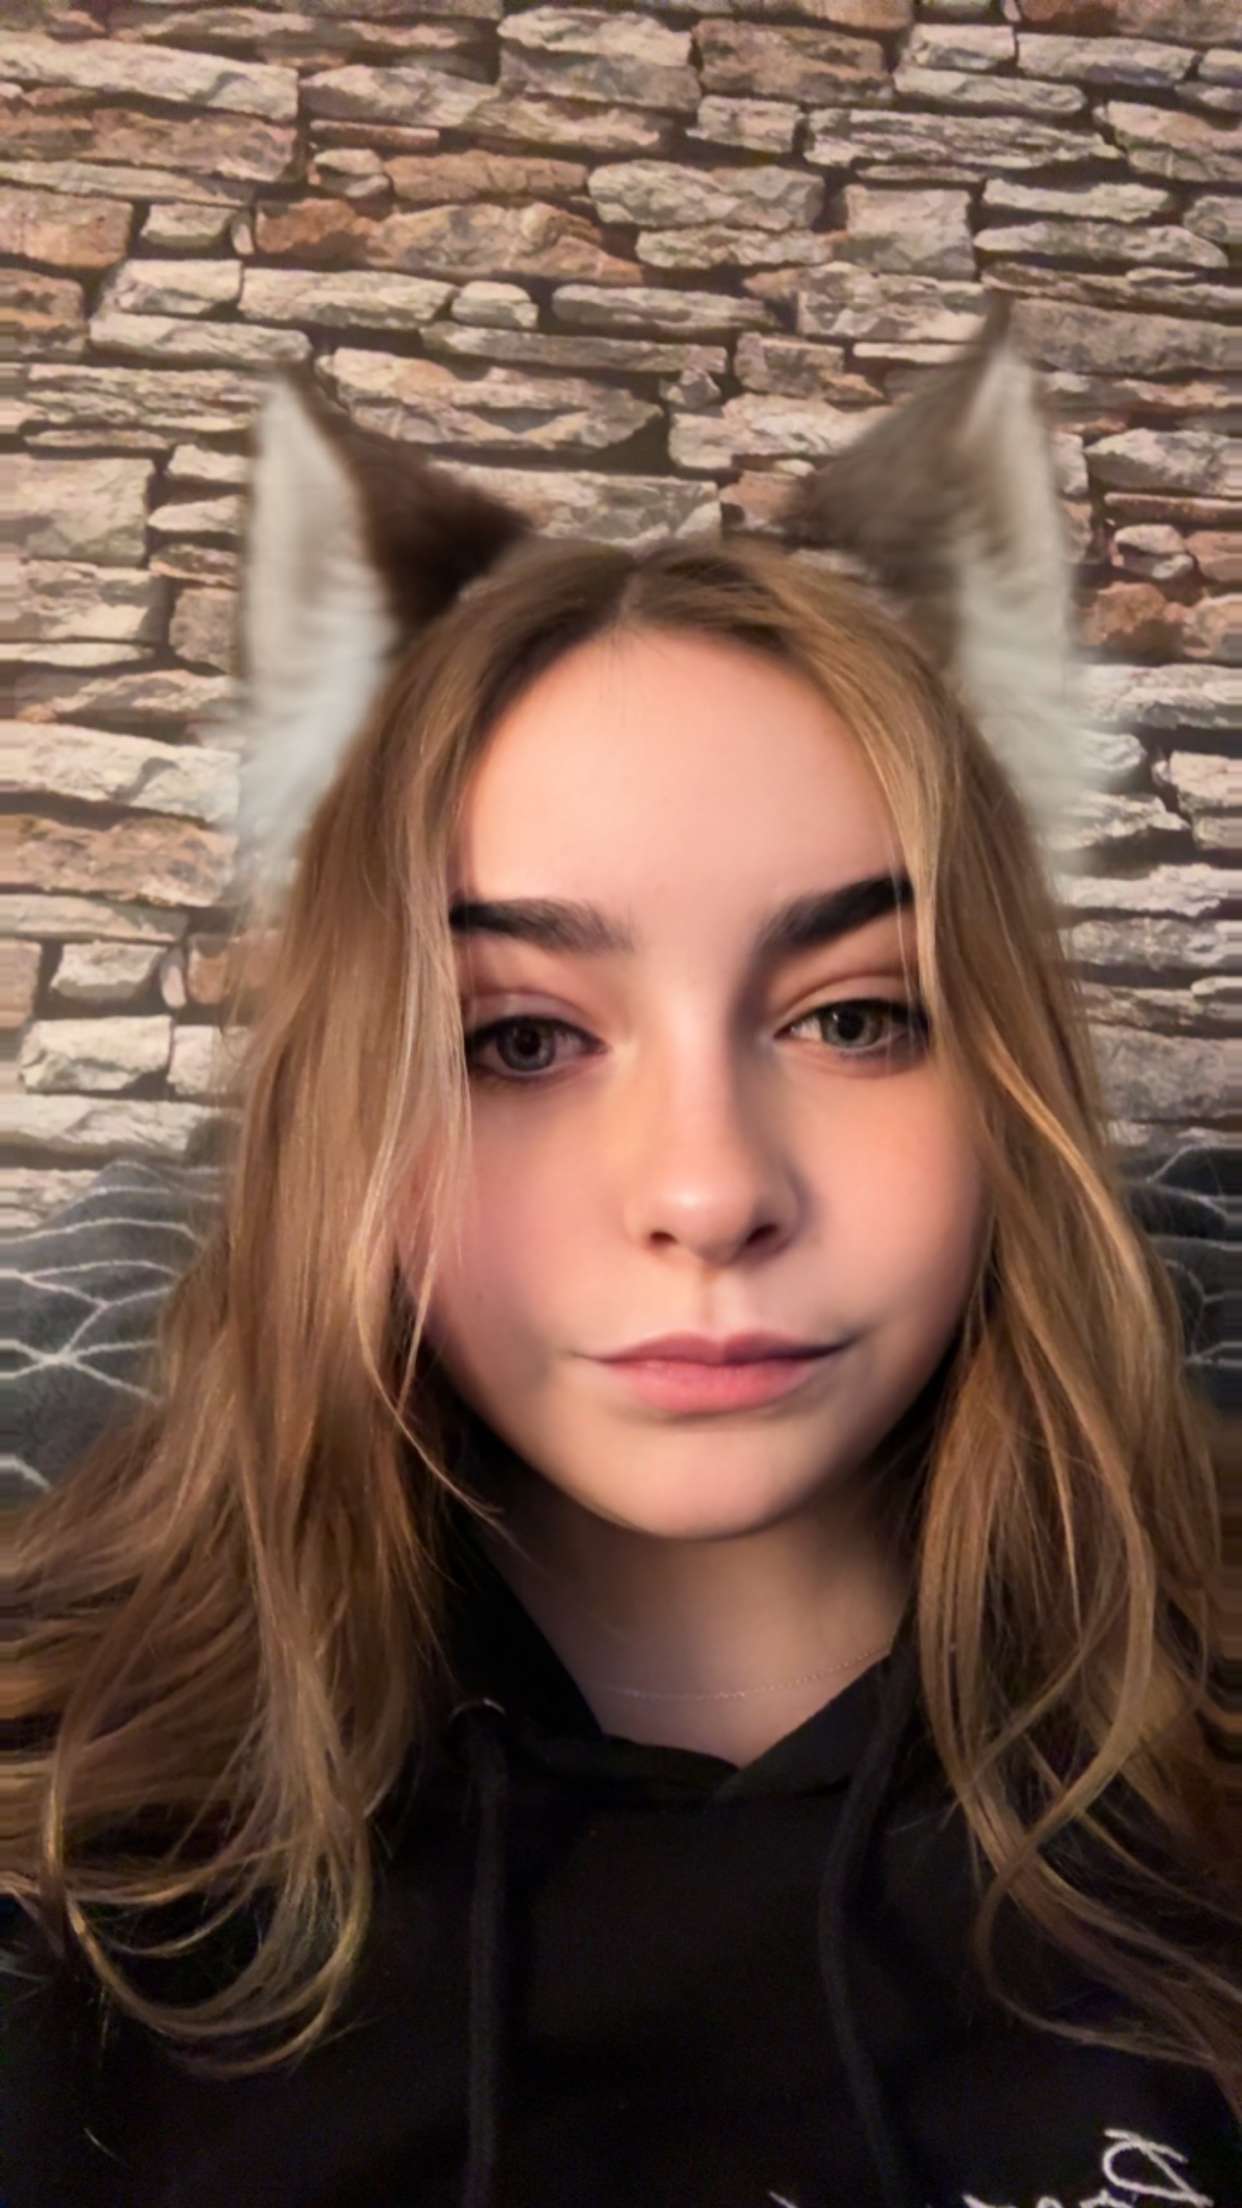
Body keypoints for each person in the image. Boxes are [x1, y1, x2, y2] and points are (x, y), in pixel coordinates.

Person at [2, 301, 1239, 2208]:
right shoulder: (61, 1850)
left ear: (1009, 1087)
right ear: (349, 1112)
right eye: (519, 1040)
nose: (707, 1192)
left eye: (852, 1017)